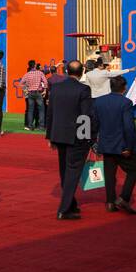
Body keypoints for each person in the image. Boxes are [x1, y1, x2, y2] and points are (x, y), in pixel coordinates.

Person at [45, 60, 95, 220]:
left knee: (64, 171)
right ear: (82, 72)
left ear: (67, 71)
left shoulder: (57, 88)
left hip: (58, 135)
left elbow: (50, 113)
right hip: (76, 136)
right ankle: (64, 208)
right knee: (73, 171)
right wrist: (87, 139)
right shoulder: (84, 89)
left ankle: (70, 203)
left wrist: (49, 136)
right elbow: (85, 115)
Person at [94, 75, 136, 214]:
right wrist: (129, 146)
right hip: (121, 145)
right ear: (124, 88)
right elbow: (129, 127)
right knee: (133, 171)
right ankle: (124, 198)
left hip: (106, 144)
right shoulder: (125, 103)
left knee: (109, 174)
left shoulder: (99, 102)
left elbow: (95, 124)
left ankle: (110, 202)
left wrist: (95, 143)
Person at [19, 59, 48, 131]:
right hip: (38, 93)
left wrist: (25, 90)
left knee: (30, 110)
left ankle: (30, 126)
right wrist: (44, 90)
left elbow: (21, 84)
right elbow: (45, 82)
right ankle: (41, 126)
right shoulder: (40, 73)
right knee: (41, 110)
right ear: (35, 65)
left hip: (30, 93)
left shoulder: (27, 74)